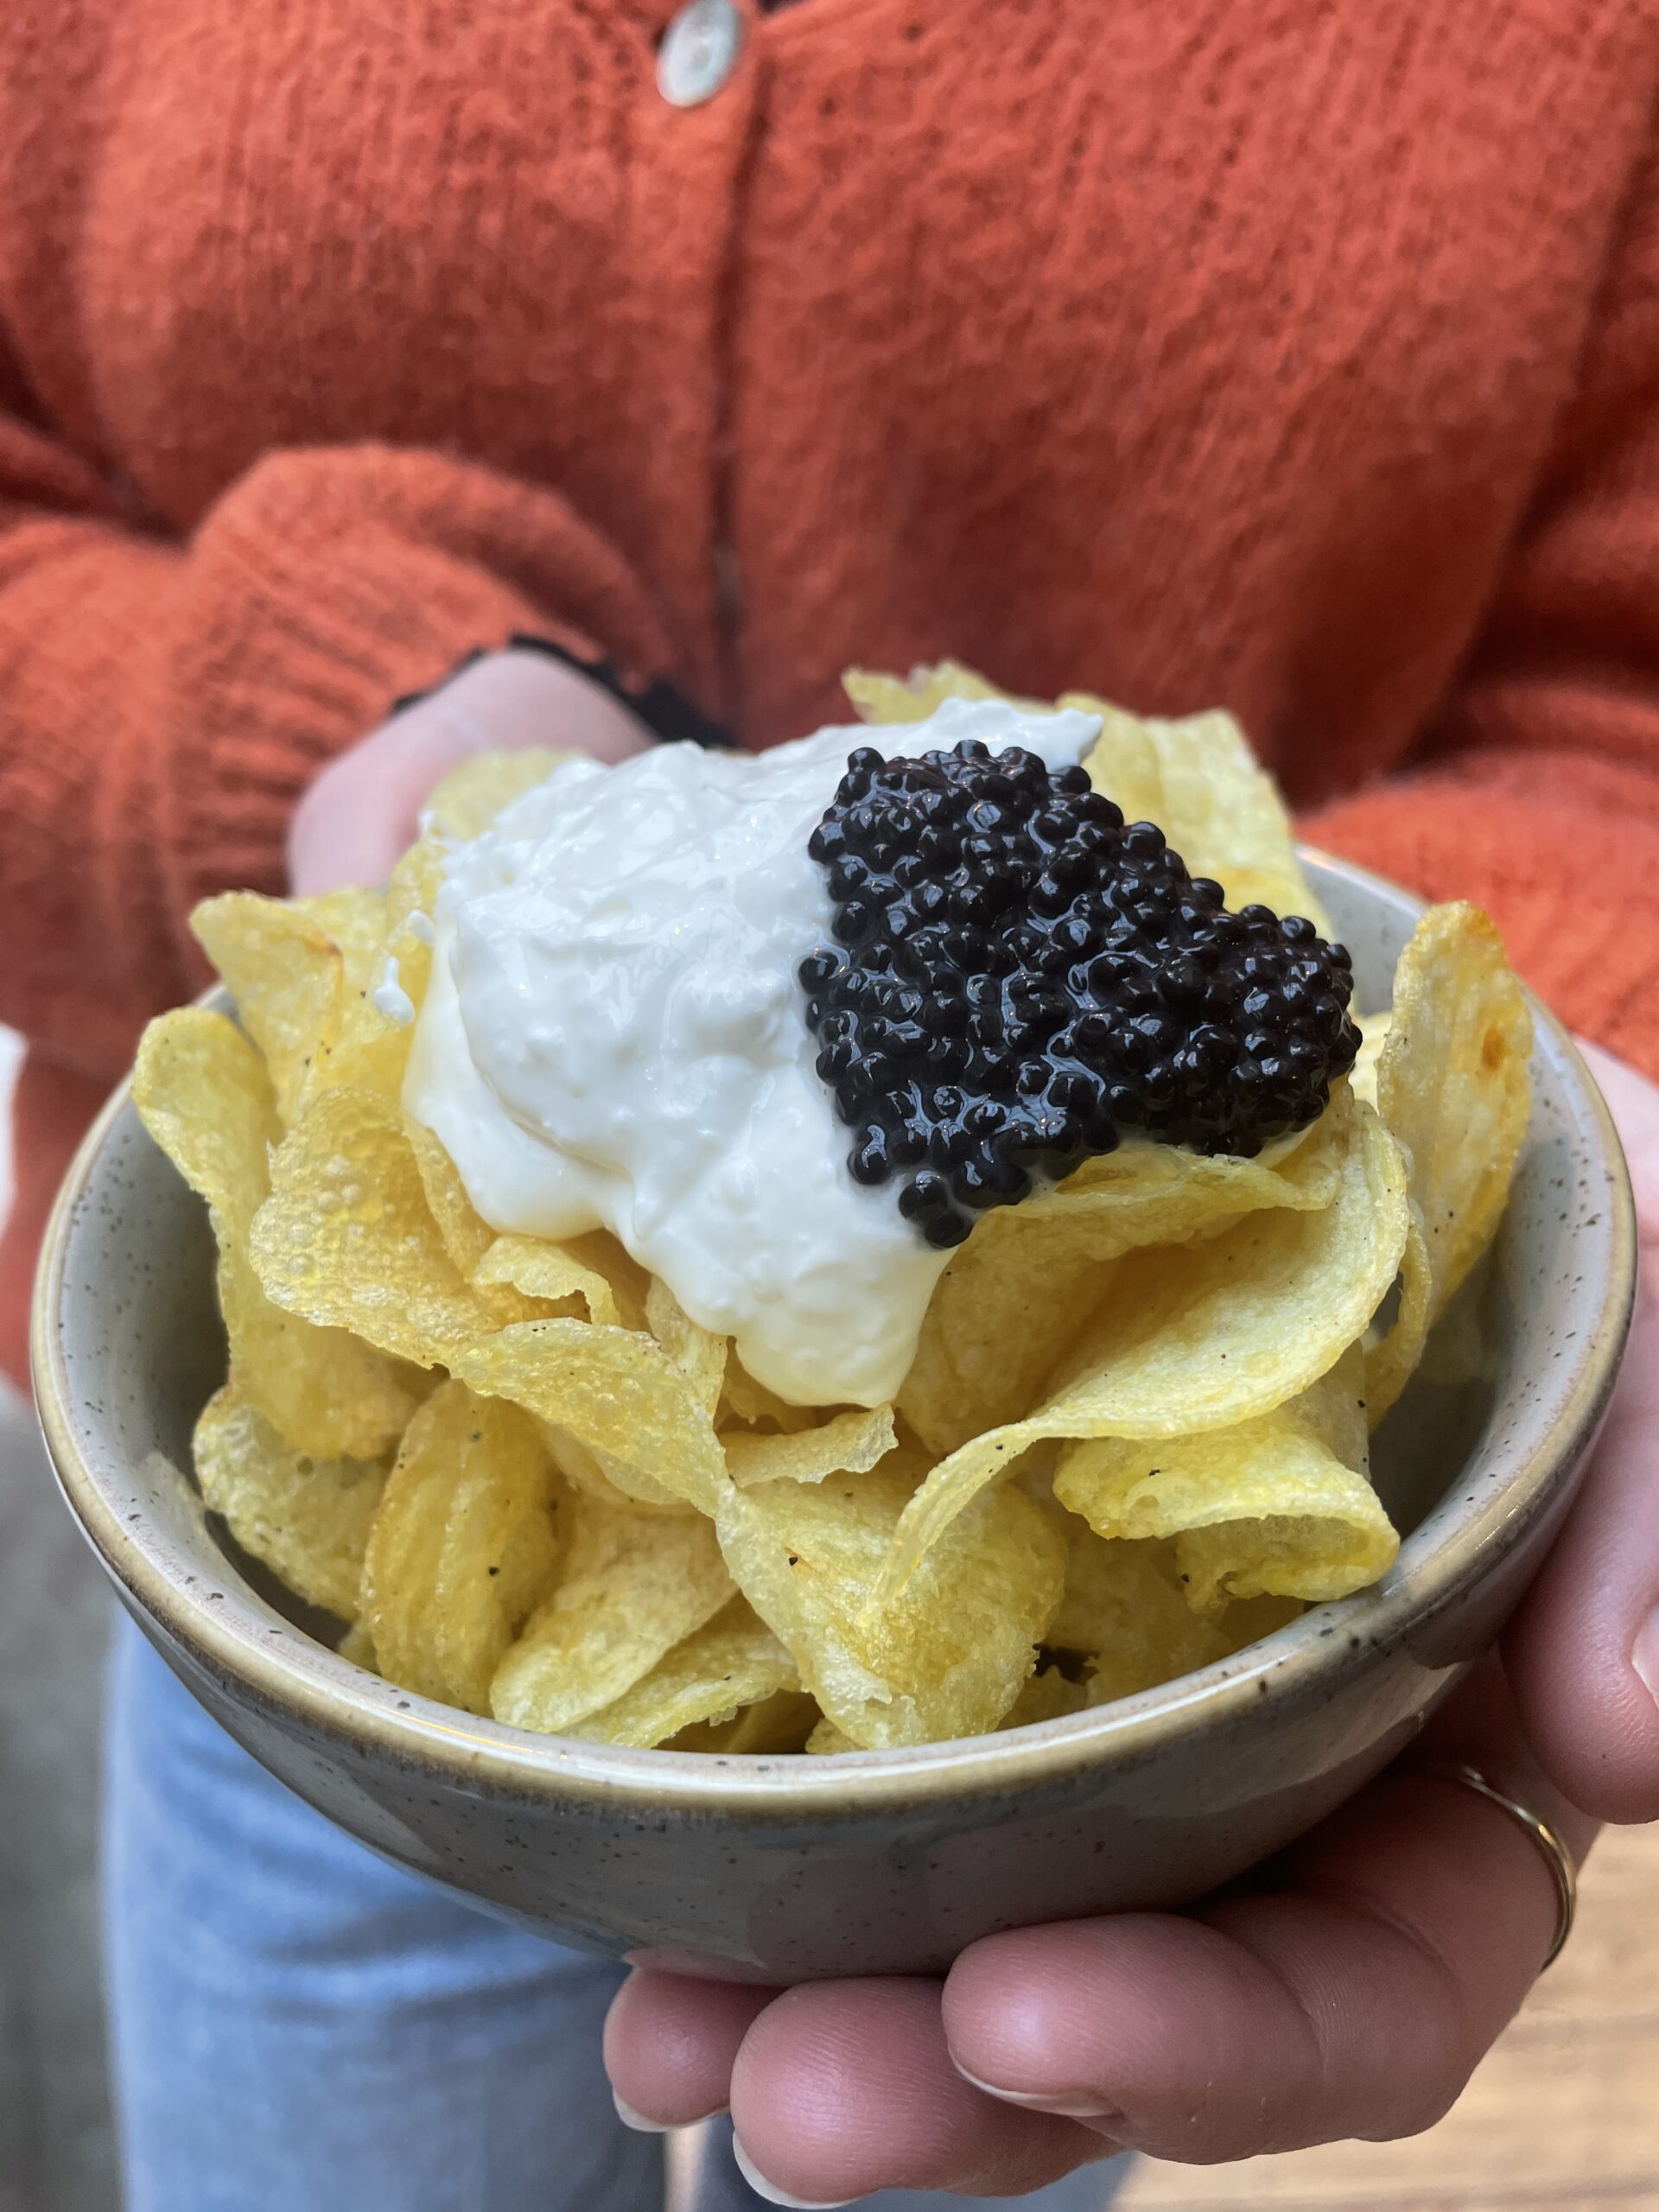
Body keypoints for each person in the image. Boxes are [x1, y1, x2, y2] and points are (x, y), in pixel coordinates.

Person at [3, 2, 1658, 2205]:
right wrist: (311, 722)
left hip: (1078, 1733)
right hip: (324, 1708)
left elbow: (1615, 679)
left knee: (971, 2120)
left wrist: (1583, 1004)